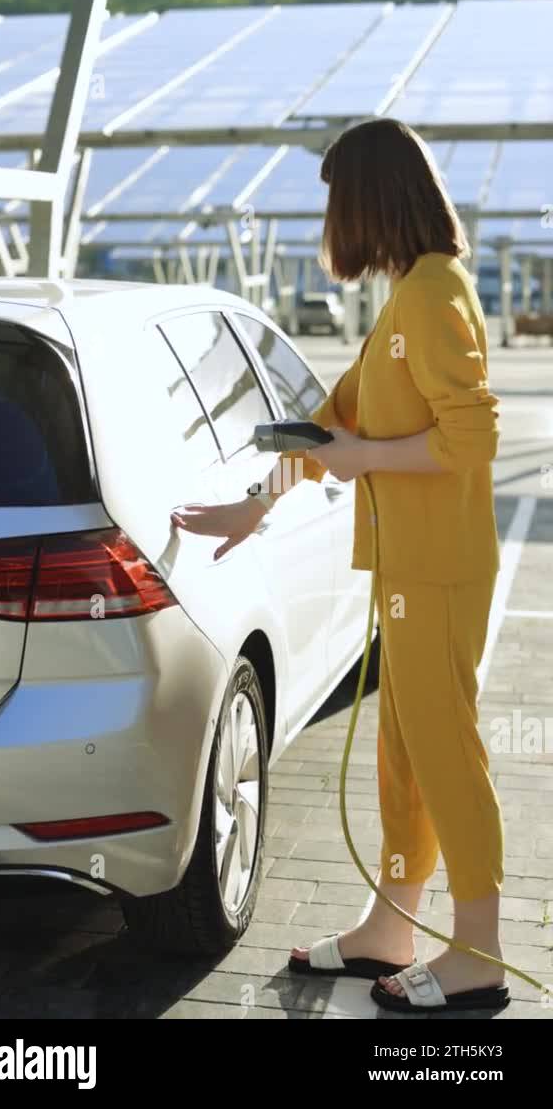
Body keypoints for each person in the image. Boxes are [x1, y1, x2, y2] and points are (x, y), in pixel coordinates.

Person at [171, 117, 509, 1014]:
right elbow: (333, 427)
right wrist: (259, 503)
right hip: (408, 570)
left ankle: (480, 950)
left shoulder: (436, 293)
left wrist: (369, 460)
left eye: (335, 200)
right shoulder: (407, 297)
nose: (330, 221)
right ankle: (391, 928)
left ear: (372, 199)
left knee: (446, 753)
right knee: (404, 758)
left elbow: (471, 437)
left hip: (439, 570)